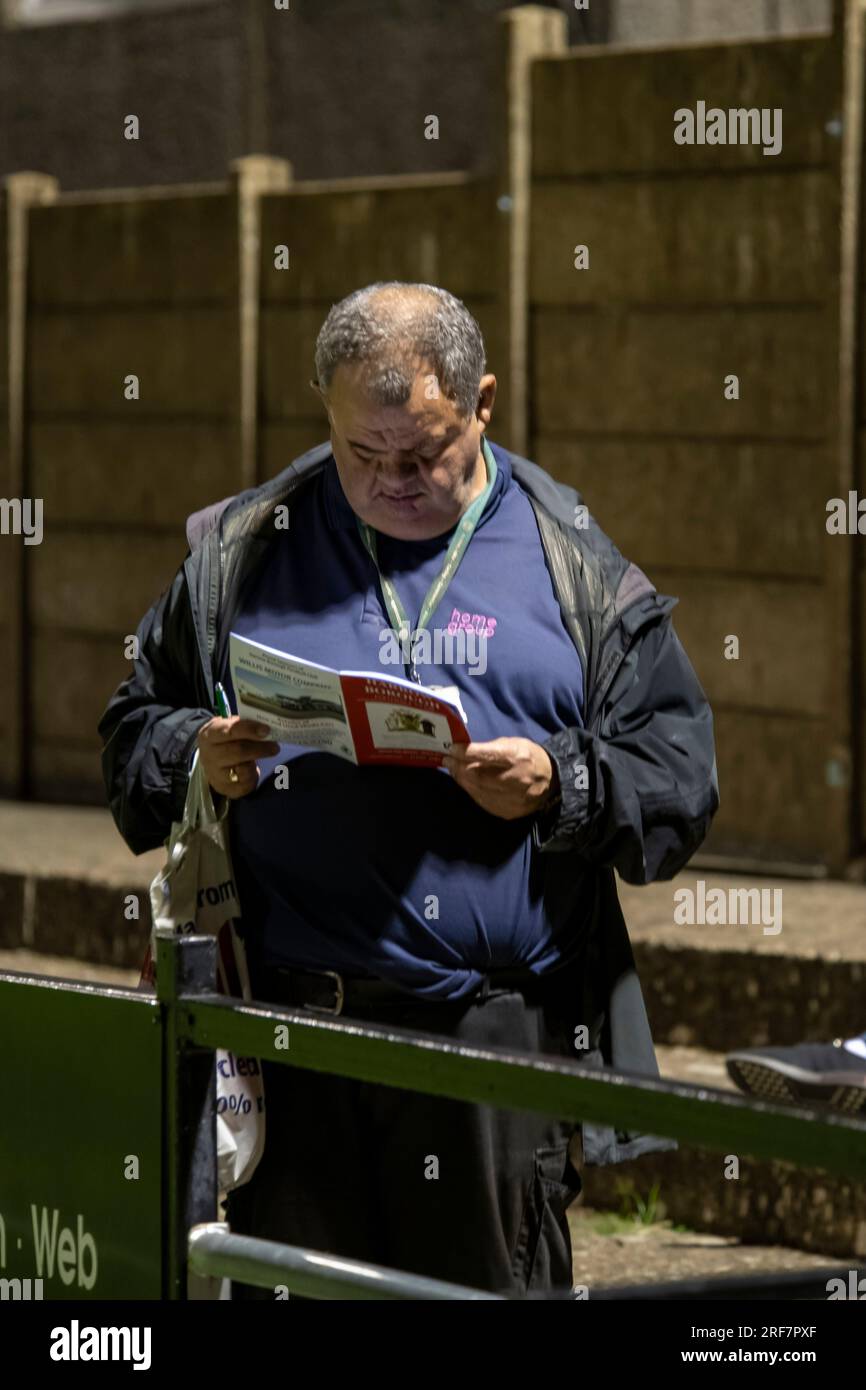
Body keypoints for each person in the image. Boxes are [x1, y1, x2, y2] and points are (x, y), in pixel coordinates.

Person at [99, 282, 719, 1297]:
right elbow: (130, 727)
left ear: (481, 402)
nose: (393, 483)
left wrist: (560, 782)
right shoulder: (245, 546)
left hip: (481, 1042)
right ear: (325, 413)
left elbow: (679, 778)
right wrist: (192, 752)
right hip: (290, 1038)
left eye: (424, 454)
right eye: (361, 455)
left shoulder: (569, 556)